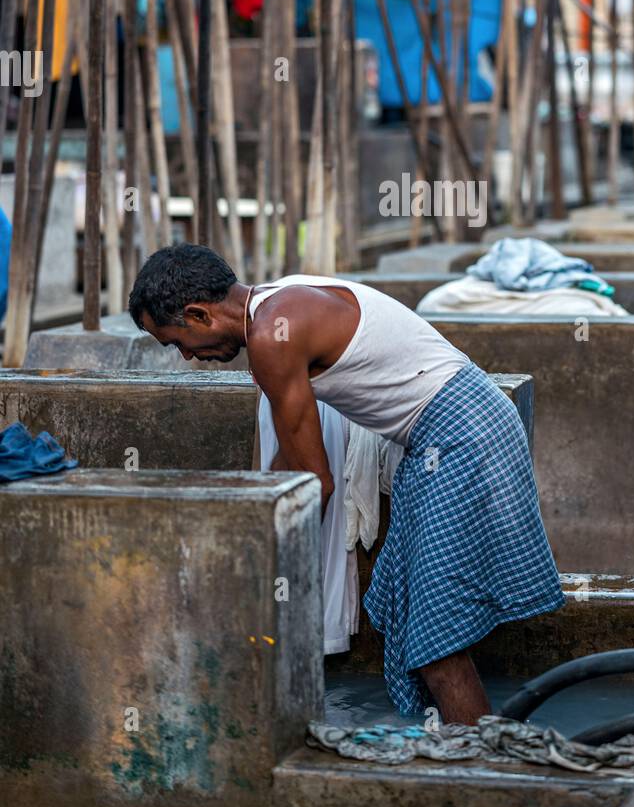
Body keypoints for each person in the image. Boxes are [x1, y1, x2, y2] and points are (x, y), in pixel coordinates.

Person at [128, 243, 565, 724]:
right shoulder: (279, 302)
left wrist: (269, 571)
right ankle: (464, 751)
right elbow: (285, 463)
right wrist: (244, 528)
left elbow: (316, 483)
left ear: (198, 313)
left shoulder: (274, 339)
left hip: (458, 435)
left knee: (434, 635)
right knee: (407, 606)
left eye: (176, 341)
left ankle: (481, 767)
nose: (187, 356)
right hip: (453, 431)